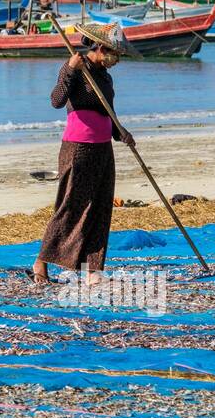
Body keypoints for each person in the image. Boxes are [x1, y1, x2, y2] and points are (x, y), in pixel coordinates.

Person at [32, 23, 140, 287]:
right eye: (116, 53)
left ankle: (93, 271)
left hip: (103, 147)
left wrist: (121, 132)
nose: (118, 59)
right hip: (78, 147)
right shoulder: (76, 67)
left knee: (101, 207)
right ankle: (41, 262)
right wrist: (70, 70)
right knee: (71, 206)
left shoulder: (105, 75)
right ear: (101, 48)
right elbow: (56, 101)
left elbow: (109, 112)